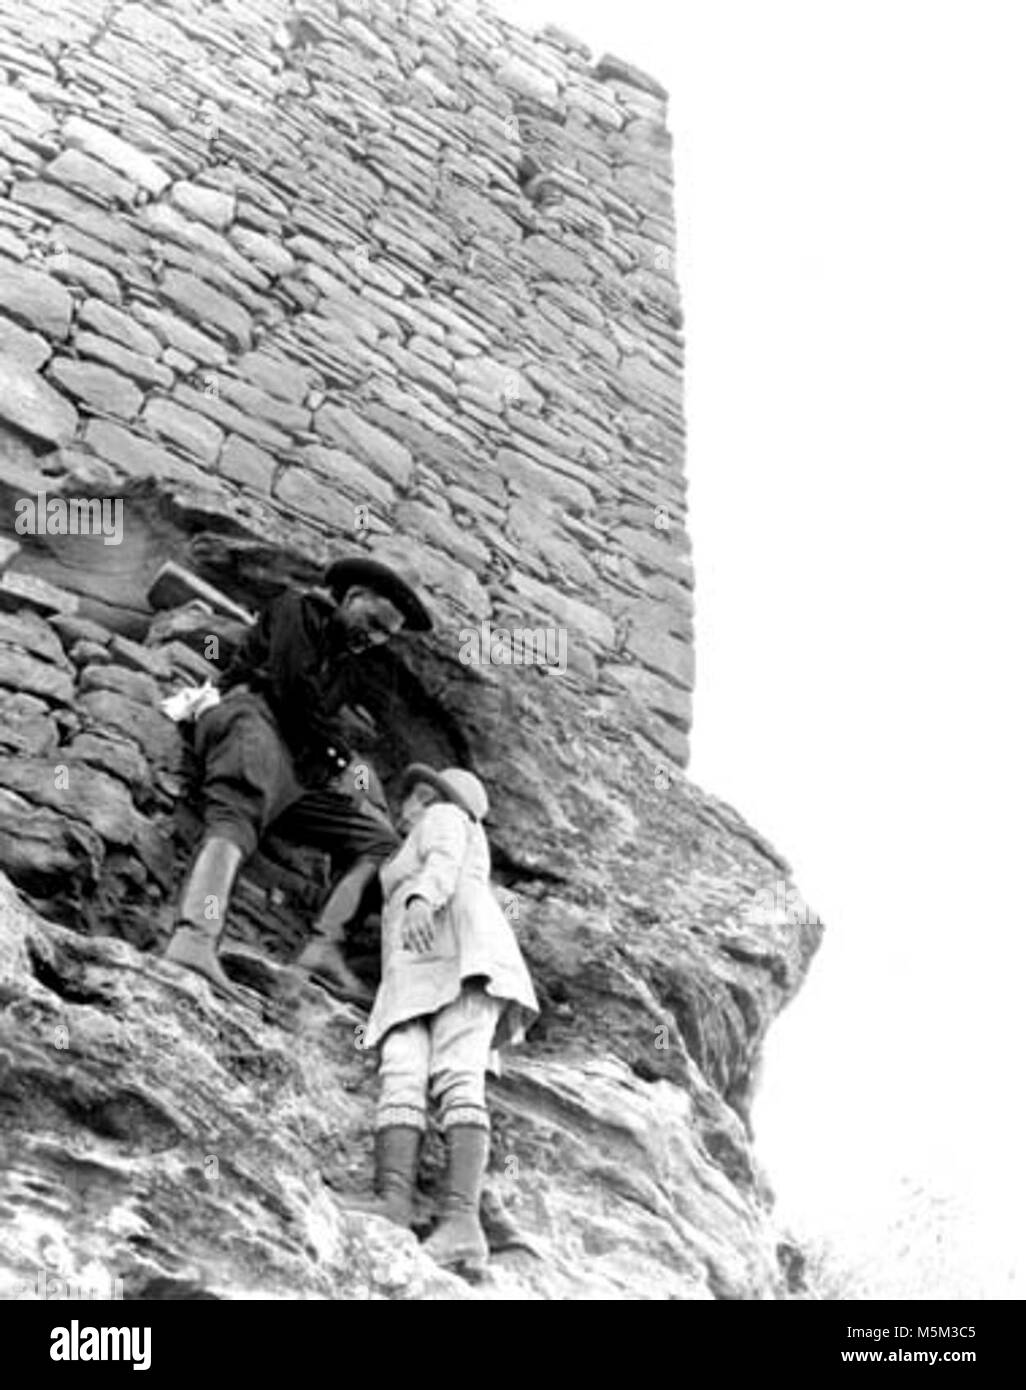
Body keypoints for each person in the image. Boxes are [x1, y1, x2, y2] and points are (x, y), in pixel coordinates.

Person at [163, 556, 432, 1004]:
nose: (376, 637)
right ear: (352, 597)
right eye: (373, 621)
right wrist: (338, 753)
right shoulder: (297, 610)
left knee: (380, 844)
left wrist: (338, 768)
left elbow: (319, 724)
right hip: (252, 720)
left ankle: (322, 950)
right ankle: (194, 938)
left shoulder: (349, 666)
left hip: (291, 767)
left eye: (387, 632)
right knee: (239, 812)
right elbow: (291, 688)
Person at [360, 764, 539, 1278]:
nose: (401, 814)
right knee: (402, 1071)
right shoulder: (420, 833)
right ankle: (392, 1200)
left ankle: (461, 1221)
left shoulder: (443, 815)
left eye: (405, 805)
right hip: (413, 976)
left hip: (460, 960)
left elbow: (442, 859)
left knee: (459, 1075)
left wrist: (420, 900)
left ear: (423, 797)